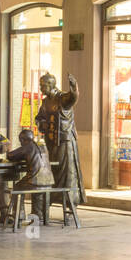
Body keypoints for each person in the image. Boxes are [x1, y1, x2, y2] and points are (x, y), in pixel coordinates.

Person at [36, 72, 85, 204]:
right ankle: (52, 198)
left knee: (66, 172)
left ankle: (69, 201)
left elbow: (73, 97)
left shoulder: (62, 98)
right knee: (53, 170)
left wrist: (73, 86)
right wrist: (42, 123)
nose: (40, 88)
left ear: (50, 85)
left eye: (42, 85)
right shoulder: (45, 101)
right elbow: (39, 117)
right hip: (51, 142)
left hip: (64, 141)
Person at [6, 128, 54, 224]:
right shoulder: (42, 146)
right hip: (49, 181)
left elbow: (10, 156)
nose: (21, 143)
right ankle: (38, 215)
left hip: (36, 180)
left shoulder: (27, 146)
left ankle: (19, 216)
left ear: (23, 140)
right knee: (37, 190)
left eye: (21, 141)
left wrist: (7, 151)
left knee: (17, 187)